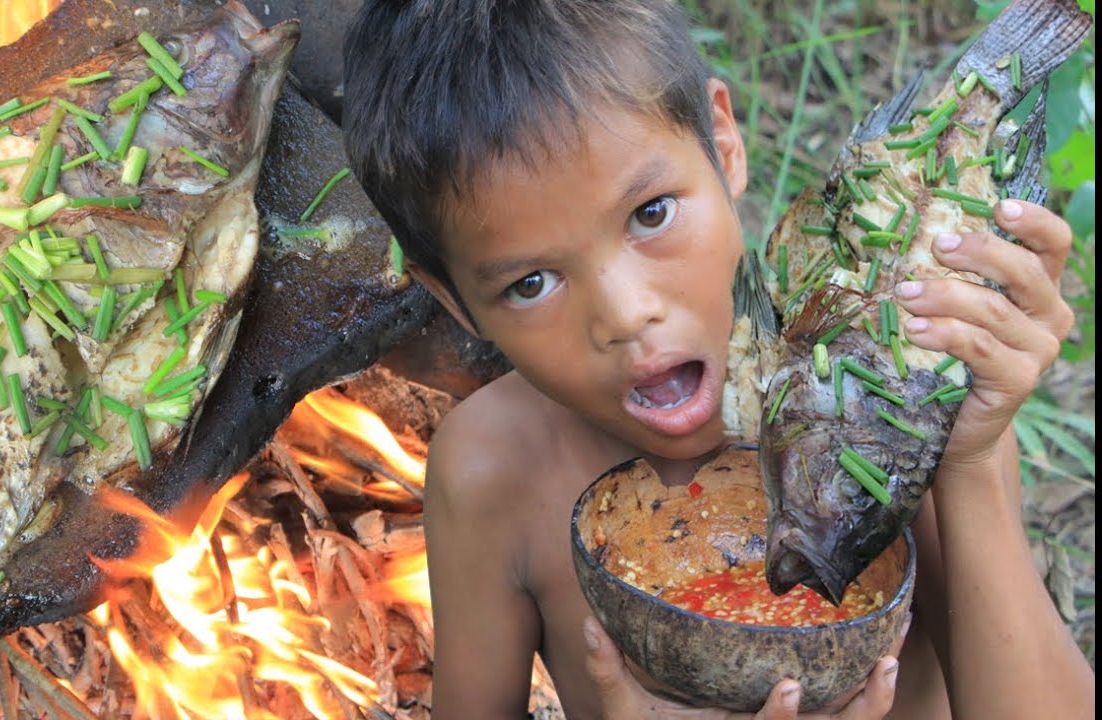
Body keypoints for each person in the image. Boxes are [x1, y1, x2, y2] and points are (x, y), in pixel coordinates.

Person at [340, 1, 1095, 717]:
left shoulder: (896, 391)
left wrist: (966, 464)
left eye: (651, 213)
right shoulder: (491, 470)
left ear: (724, 146)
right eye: (530, 283)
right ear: (455, 301)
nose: (626, 313)